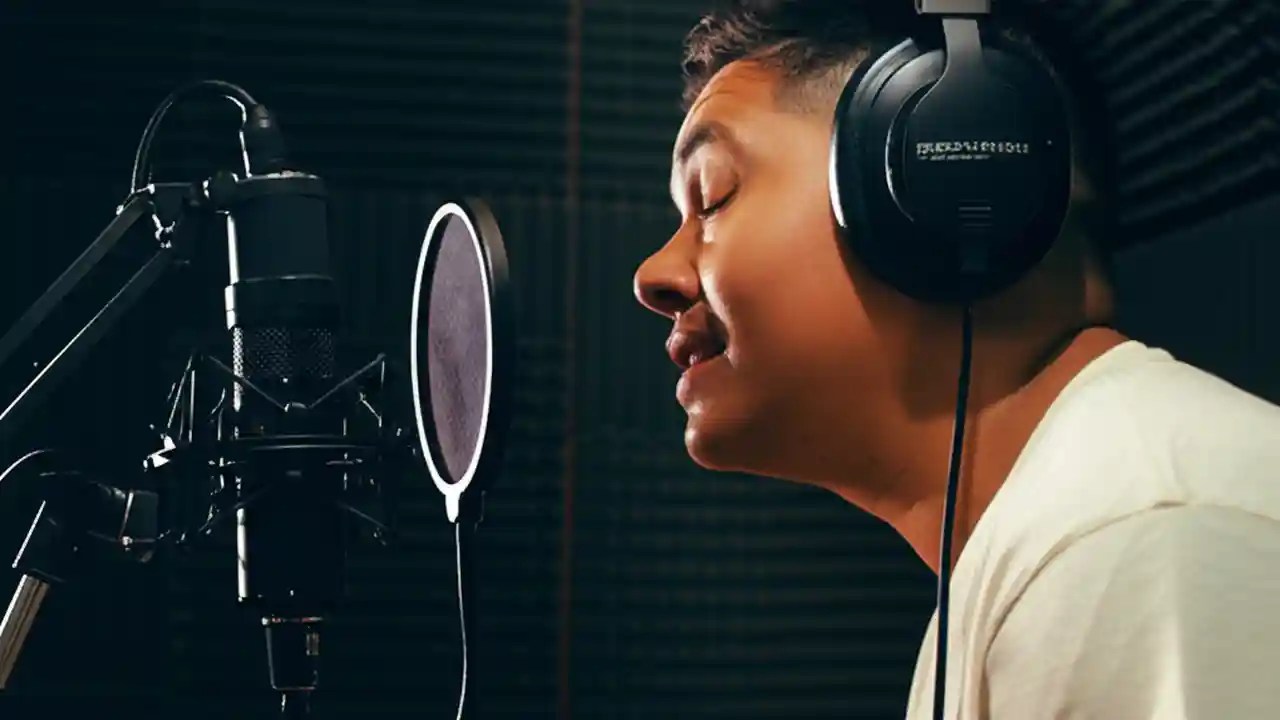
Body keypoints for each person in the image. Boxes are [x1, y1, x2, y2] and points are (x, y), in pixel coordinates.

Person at [631, 1, 1280, 717]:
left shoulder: (1147, 544)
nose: (653, 274)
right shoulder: (1043, 559)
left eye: (711, 197)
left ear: (949, 168)